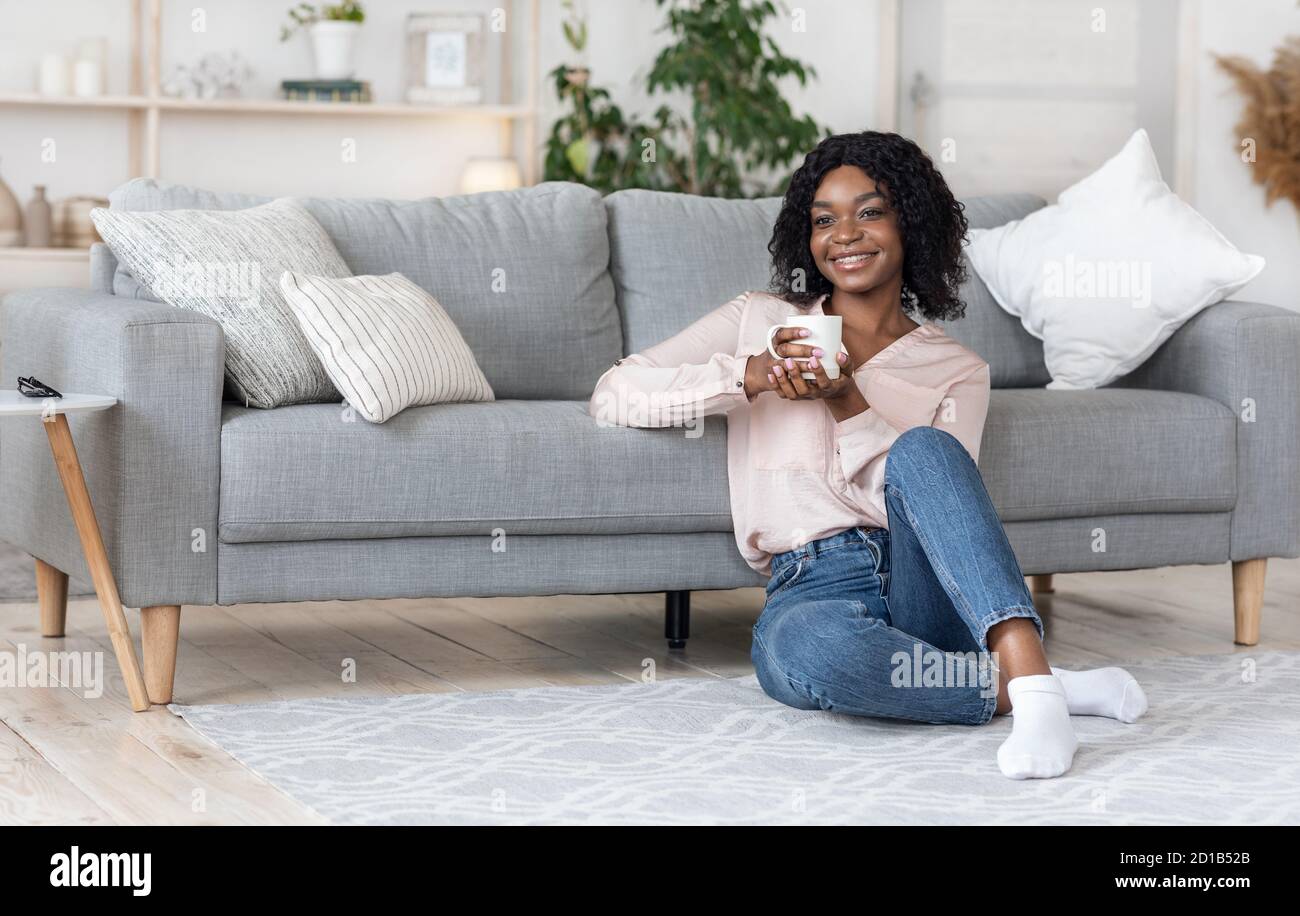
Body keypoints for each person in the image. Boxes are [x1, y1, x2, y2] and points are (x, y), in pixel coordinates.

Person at [588, 131, 1147, 780]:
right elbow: (614, 392)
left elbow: (939, 503)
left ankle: (1027, 674)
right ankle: (1029, 687)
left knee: (925, 448)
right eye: (825, 220)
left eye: (870, 211)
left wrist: (848, 401)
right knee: (806, 657)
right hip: (813, 581)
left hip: (926, 585)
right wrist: (751, 375)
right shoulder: (761, 320)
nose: (844, 234)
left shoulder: (956, 369)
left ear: (911, 221)